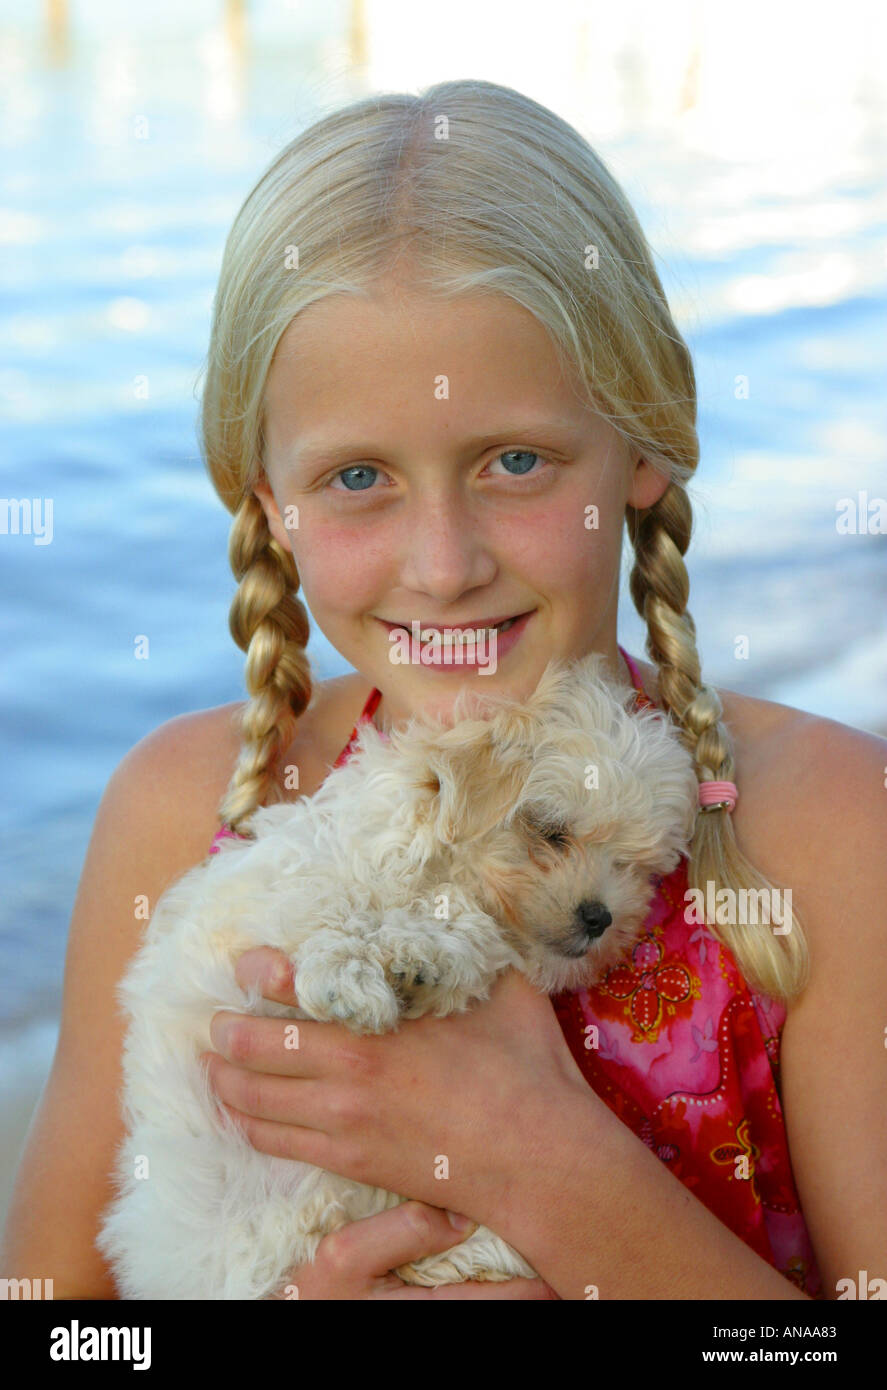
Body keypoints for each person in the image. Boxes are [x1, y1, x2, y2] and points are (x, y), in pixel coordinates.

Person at [3, 78, 884, 1302]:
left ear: (643, 441)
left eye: (514, 461)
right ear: (269, 502)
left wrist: (545, 1166)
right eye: (359, 475)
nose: (444, 565)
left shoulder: (828, 830)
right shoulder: (181, 809)